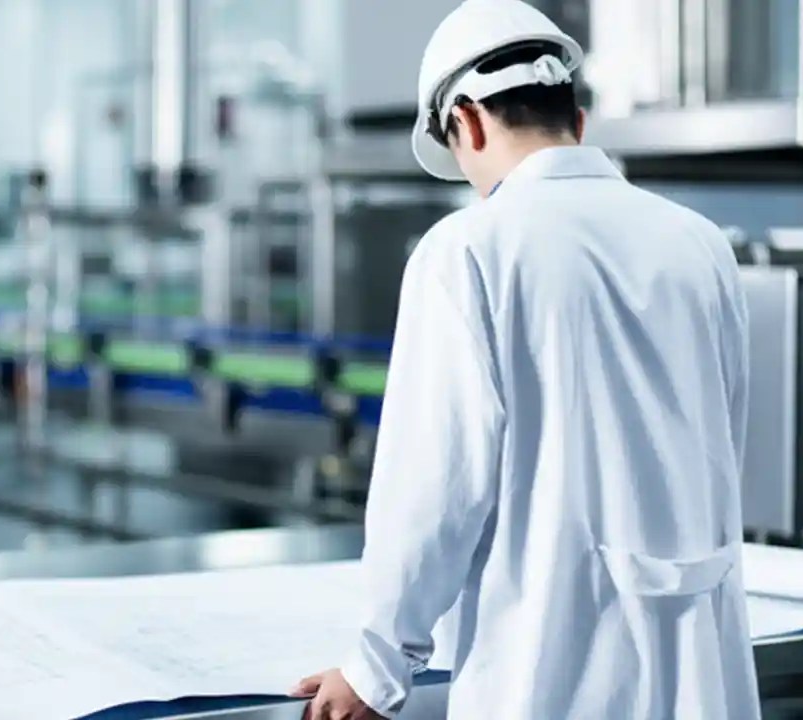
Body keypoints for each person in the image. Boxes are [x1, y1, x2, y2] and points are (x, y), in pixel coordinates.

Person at [292, 0, 759, 718]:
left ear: (468, 124)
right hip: (700, 672)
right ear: (576, 119)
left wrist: (374, 667)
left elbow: (435, 487)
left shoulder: (469, 251)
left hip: (550, 674)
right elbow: (724, 443)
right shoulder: (701, 243)